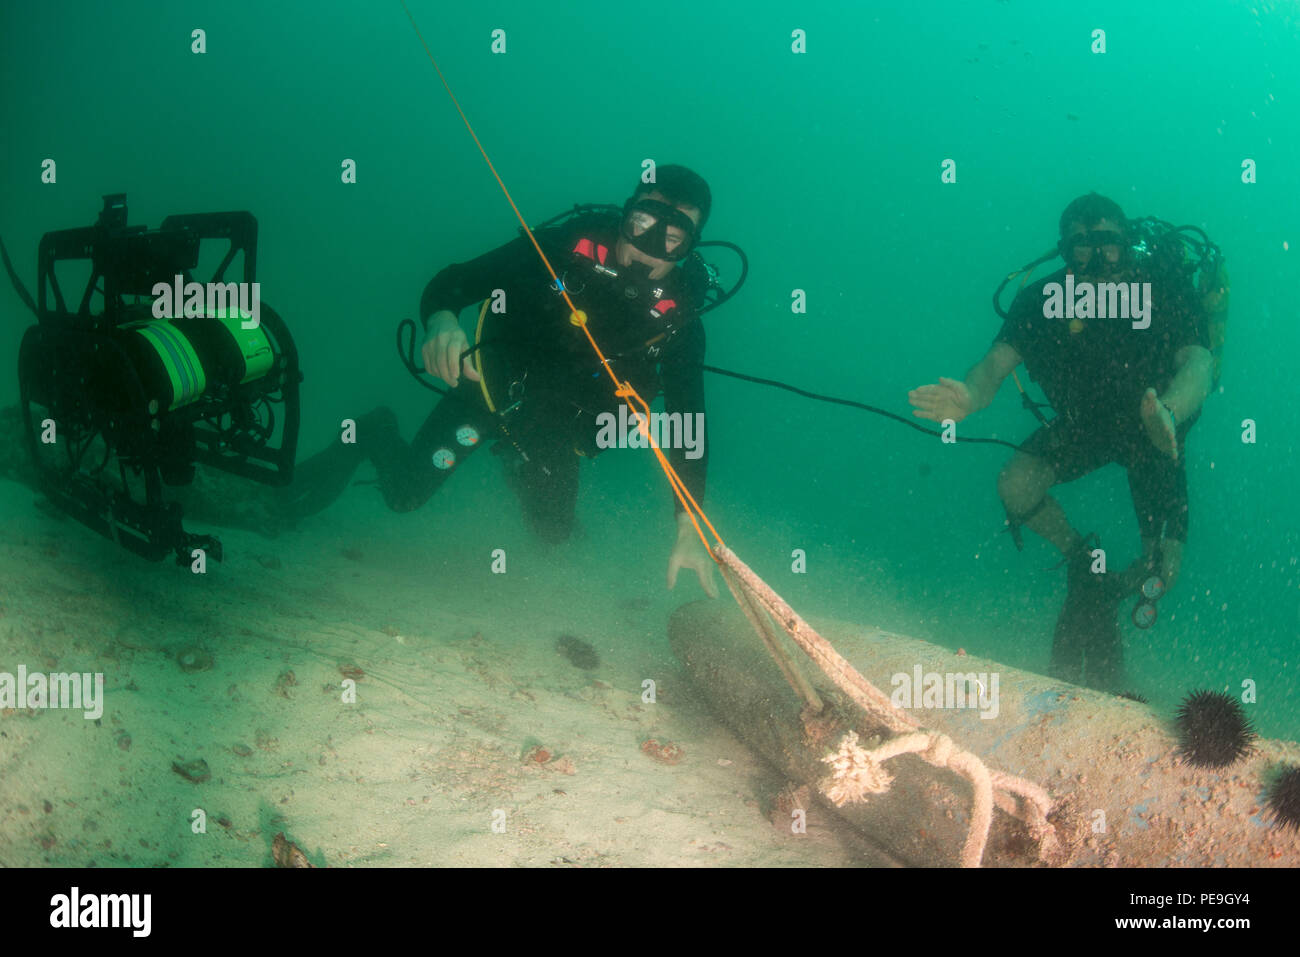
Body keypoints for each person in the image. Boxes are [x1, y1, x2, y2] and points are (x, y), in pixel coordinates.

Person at [283, 165, 719, 597]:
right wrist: (443, 321)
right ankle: (374, 431)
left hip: (554, 432)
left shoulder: (680, 321)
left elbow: (687, 424)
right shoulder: (565, 246)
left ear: (689, 246)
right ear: (625, 215)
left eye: (673, 238)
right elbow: (455, 281)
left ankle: (519, 465)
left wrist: (689, 523)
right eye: (642, 224)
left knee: (554, 534)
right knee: (403, 496)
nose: (649, 248)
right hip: (490, 391)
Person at [908, 193, 1215, 691]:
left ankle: (1125, 586)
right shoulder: (1040, 302)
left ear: (1128, 242)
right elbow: (995, 365)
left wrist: (1170, 413)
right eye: (1081, 246)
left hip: (1155, 427)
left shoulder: (1165, 289)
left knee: (1168, 566)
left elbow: (1199, 365)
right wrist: (970, 395)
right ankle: (1081, 558)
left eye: (1108, 245)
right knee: (1015, 483)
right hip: (1084, 427)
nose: (1096, 258)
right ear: (1063, 251)